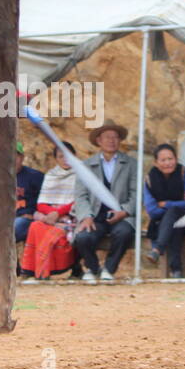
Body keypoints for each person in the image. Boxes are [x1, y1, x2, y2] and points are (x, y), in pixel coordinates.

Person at [71, 120, 136, 283]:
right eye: (107, 137)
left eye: (115, 137)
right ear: (99, 141)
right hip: (95, 216)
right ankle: (93, 268)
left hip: (121, 216)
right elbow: (80, 195)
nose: (111, 141)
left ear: (120, 140)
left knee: (124, 232)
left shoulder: (131, 164)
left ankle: (109, 269)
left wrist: (124, 211)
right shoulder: (86, 165)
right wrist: (86, 216)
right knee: (83, 237)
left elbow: (136, 193)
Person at [19, 143, 79, 279]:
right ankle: (31, 271)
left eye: (68, 156)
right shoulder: (51, 175)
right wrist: (52, 214)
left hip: (72, 216)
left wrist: (58, 213)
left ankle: (49, 271)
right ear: (56, 159)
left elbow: (80, 200)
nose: (65, 159)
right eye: (61, 156)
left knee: (54, 233)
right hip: (51, 217)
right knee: (35, 226)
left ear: (75, 156)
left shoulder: (81, 175)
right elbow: (41, 204)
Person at [143, 143, 185, 277]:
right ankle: (176, 271)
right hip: (162, 223)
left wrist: (166, 204)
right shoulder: (150, 179)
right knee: (173, 219)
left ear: (176, 159)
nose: (168, 163)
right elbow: (152, 211)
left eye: (170, 159)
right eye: (163, 160)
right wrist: (177, 205)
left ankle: (158, 249)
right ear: (156, 162)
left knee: (173, 214)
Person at [13, 142, 45, 243]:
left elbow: (46, 199)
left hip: (26, 219)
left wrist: (34, 214)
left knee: (13, 229)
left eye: (16, 156)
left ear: (22, 157)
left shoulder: (35, 176)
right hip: (5, 220)